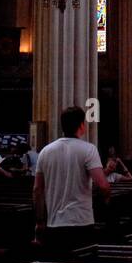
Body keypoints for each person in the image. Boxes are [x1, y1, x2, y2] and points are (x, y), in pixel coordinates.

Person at [33, 106, 111, 255]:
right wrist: (106, 201)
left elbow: (37, 189)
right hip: (81, 221)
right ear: (82, 125)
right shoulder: (88, 149)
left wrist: (39, 221)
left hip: (54, 223)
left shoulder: (46, 151)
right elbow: (103, 185)